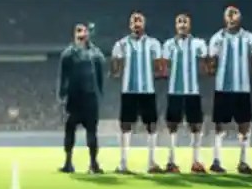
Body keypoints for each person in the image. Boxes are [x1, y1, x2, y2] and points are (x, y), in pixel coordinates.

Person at [207, 6, 252, 174]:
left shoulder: (249, 38)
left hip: (242, 87)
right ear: (225, 18)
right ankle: (216, 160)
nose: (231, 17)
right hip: (222, 87)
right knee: (219, 126)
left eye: (235, 14)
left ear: (240, 17)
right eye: (228, 15)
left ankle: (243, 162)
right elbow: (211, 61)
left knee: (244, 125)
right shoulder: (217, 38)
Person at [111, 11, 162, 174]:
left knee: (152, 125)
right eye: (134, 21)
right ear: (129, 25)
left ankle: (151, 162)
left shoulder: (153, 43)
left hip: (147, 90)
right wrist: (116, 70)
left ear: (144, 24)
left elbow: (159, 67)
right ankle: (123, 163)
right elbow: (115, 68)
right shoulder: (121, 44)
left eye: (139, 20)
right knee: (126, 125)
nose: (136, 23)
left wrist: (157, 72)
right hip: (129, 91)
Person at [161, 13, 208, 173]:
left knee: (196, 126)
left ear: (189, 25)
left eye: (185, 22)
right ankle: (171, 161)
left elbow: (204, 65)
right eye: (179, 21)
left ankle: (196, 161)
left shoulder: (198, 44)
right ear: (176, 25)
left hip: (192, 91)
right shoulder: (168, 45)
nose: (182, 24)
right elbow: (164, 67)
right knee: (172, 126)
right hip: (174, 91)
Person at [58, 23, 106, 174]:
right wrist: (62, 94)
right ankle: (68, 162)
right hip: (74, 98)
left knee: (92, 131)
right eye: (79, 31)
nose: (82, 34)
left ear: (88, 34)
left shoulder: (95, 53)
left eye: (84, 31)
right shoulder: (68, 53)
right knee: (70, 130)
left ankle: (93, 163)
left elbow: (100, 73)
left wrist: (100, 91)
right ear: (74, 34)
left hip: (90, 98)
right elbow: (63, 76)